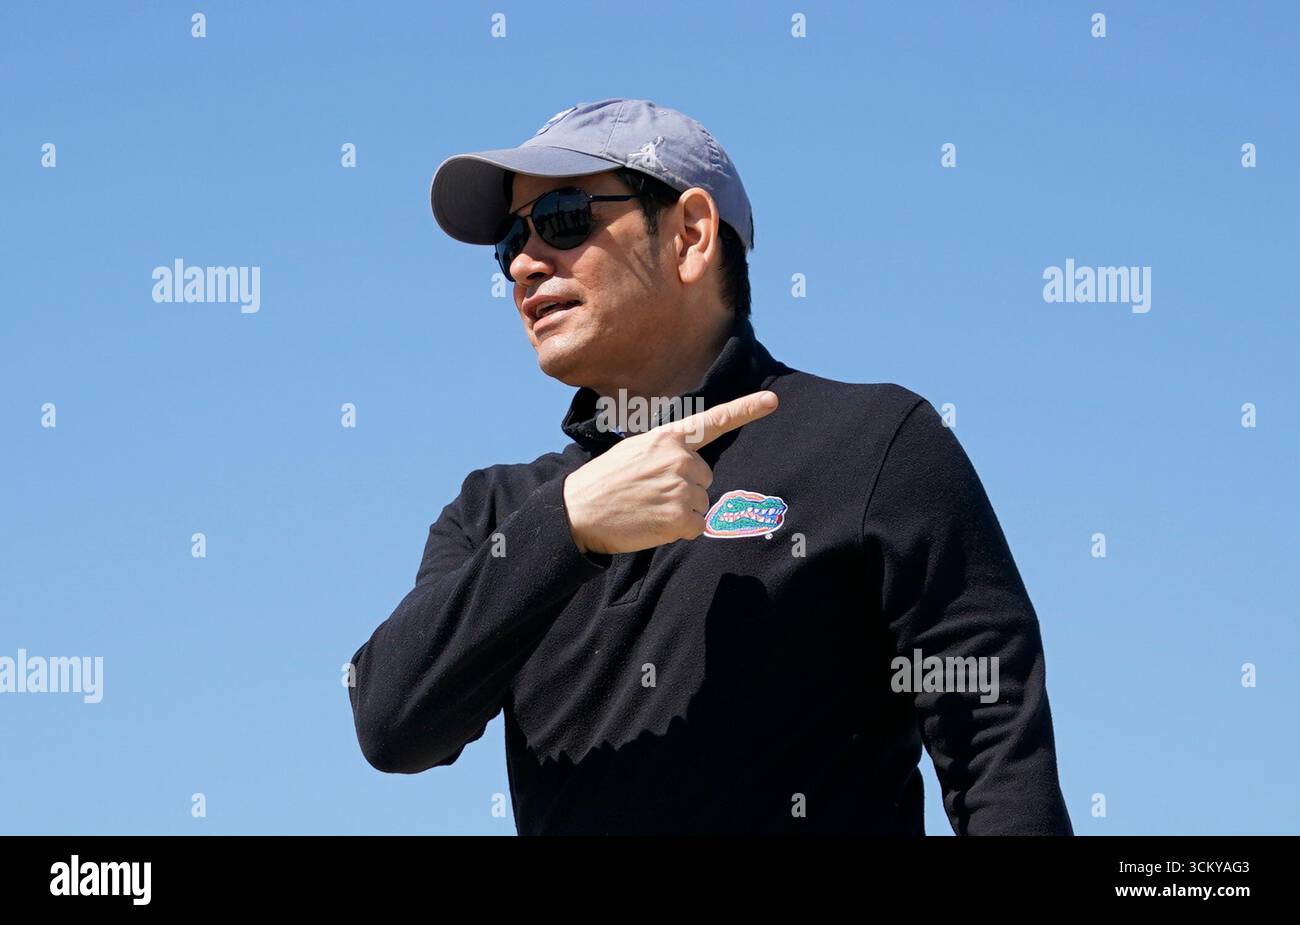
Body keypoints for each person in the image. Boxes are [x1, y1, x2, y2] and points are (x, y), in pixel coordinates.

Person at [346, 98, 1073, 835]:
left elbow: (1000, 764)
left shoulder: (875, 443)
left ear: (691, 235)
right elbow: (393, 724)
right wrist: (568, 527)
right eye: (509, 242)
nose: (527, 264)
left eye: (563, 218)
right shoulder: (497, 511)